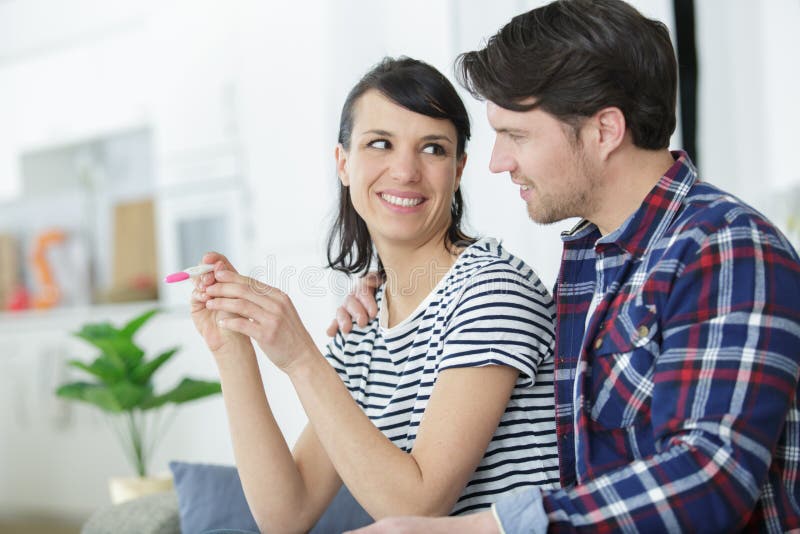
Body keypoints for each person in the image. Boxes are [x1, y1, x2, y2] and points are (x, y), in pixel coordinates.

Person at [337, 1, 800, 532]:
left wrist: (487, 528)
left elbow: (707, 479)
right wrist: (400, 290)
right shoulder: (590, 263)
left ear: (604, 131)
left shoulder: (724, 248)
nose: (497, 161)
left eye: (517, 135)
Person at [189, 57, 560, 532]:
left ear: (458, 169)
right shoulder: (364, 320)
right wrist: (232, 348)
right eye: (380, 143)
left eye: (433, 149)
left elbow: (418, 505)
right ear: (343, 163)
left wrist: (301, 357)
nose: (405, 171)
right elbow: (287, 512)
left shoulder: (492, 291)